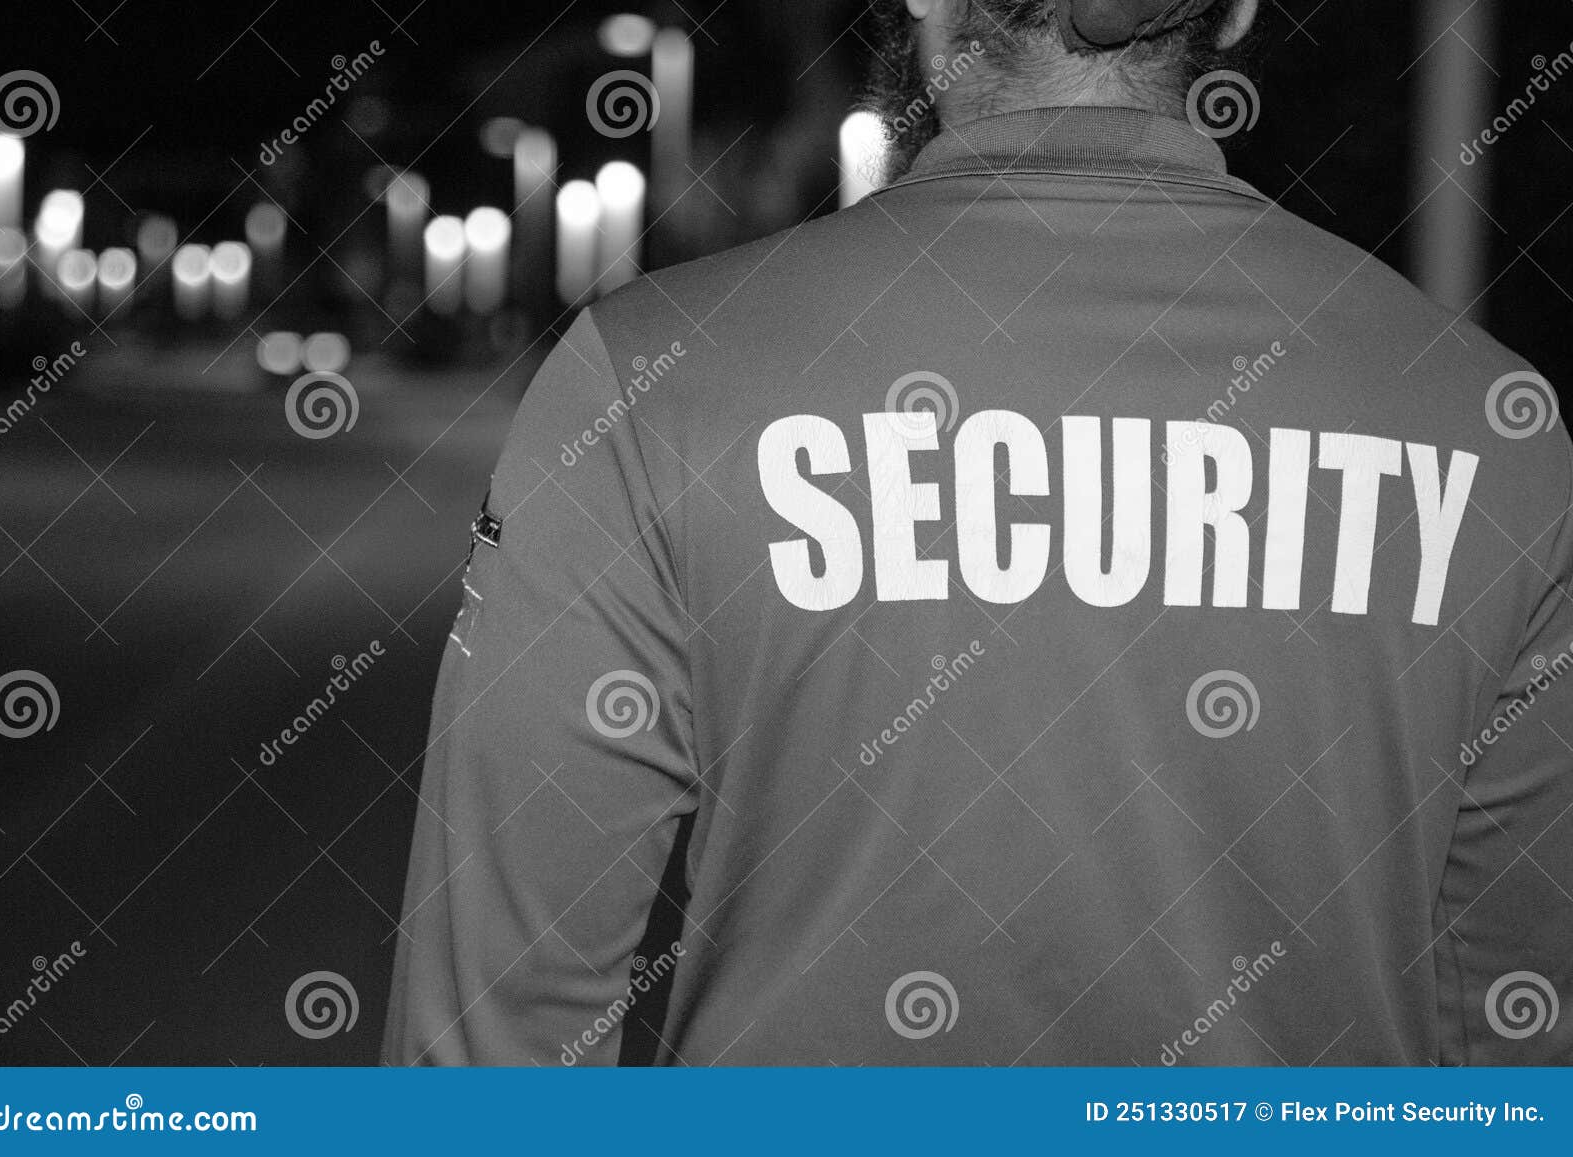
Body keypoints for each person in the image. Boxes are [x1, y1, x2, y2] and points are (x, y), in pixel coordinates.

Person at [383, 0, 1573, 1065]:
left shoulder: (649, 382)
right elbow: (1517, 1027)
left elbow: (495, 1033)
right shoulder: (1492, 424)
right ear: (1235, 14)